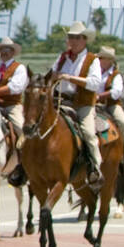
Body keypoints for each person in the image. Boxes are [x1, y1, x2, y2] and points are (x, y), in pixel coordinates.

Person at [47, 21, 105, 185]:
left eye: (76, 37)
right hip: (60, 101)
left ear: (84, 40)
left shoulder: (92, 60)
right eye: (70, 37)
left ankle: (95, 168)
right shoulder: (62, 58)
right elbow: (51, 74)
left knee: (88, 132)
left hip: (82, 104)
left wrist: (69, 78)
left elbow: (95, 83)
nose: (73, 41)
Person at [95, 46, 124, 162]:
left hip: (110, 105)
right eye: (100, 58)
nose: (102, 61)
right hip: (91, 104)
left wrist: (99, 96)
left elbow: (116, 92)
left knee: (123, 122)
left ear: (110, 60)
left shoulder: (116, 75)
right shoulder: (93, 72)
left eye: (104, 58)